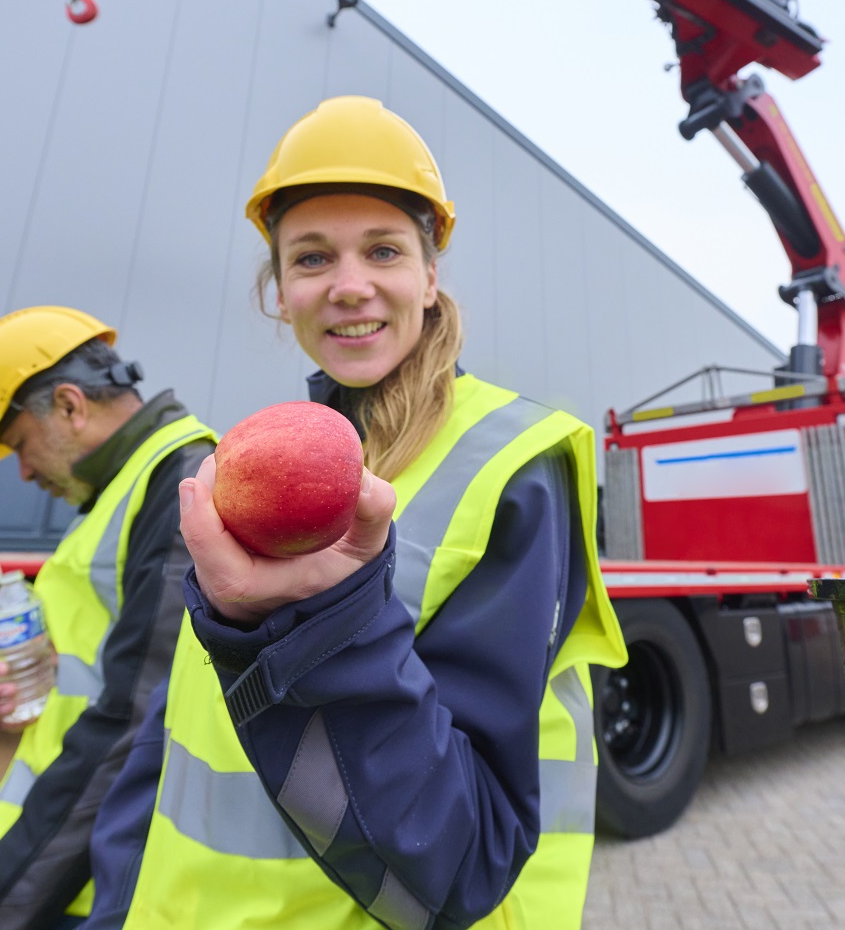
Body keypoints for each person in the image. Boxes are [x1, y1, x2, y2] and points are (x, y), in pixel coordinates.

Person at [97, 96, 626, 929]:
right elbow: (171, 746)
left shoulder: (511, 461)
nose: (349, 287)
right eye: (311, 259)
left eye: (383, 250)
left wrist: (321, 625)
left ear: (430, 275)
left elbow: (464, 857)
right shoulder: (253, 466)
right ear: (279, 290)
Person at [0, 307, 215, 930]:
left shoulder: (183, 485)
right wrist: (41, 684)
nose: (23, 471)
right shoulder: (123, 490)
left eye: (21, 445)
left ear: (72, 405)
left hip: (66, 874)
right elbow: (115, 674)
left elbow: (137, 723)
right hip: (19, 834)